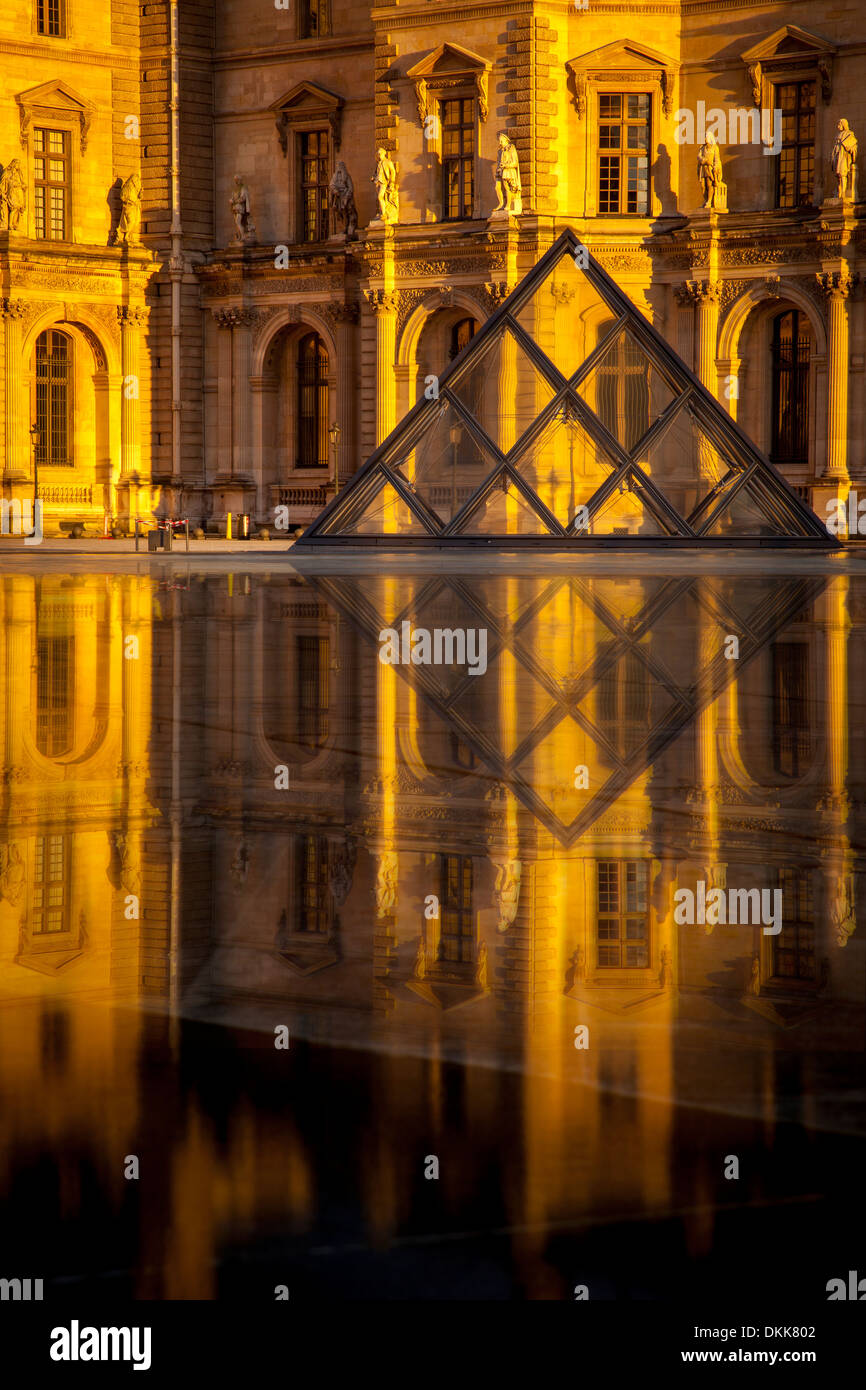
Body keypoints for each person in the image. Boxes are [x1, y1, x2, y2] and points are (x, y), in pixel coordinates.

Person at [493, 133, 522, 215]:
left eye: (501, 141)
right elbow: (499, 161)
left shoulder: (511, 148)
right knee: (497, 187)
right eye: (499, 141)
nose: (500, 143)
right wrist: (499, 168)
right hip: (501, 170)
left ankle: (508, 205)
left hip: (508, 170)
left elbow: (515, 162)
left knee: (507, 187)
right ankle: (501, 203)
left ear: (506, 140)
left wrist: (506, 165)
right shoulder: (500, 151)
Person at [328, 161, 358, 239]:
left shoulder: (347, 176)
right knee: (341, 214)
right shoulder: (335, 177)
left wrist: (347, 196)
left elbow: (350, 188)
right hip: (338, 197)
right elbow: (331, 185)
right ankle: (345, 227)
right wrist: (335, 191)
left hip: (345, 196)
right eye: (338, 166)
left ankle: (349, 228)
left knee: (348, 212)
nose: (339, 168)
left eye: (340, 166)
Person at [697, 131, 725, 210]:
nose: (705, 138)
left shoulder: (715, 147)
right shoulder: (702, 148)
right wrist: (704, 160)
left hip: (710, 168)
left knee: (709, 185)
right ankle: (706, 200)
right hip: (703, 168)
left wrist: (716, 167)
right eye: (705, 136)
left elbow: (717, 159)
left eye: (706, 136)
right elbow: (698, 157)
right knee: (703, 186)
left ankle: (709, 201)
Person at [831, 119, 858, 199]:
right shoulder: (838, 135)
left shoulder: (849, 134)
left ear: (843, 125)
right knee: (838, 175)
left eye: (839, 124)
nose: (838, 126)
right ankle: (839, 192)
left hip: (843, 156)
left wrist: (846, 146)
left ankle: (843, 193)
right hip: (838, 155)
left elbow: (853, 144)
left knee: (842, 174)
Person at [0, 158, 26, 232]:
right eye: (17, 163)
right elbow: (3, 182)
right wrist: (2, 192)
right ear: (14, 164)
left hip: (18, 192)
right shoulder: (7, 172)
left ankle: (15, 224)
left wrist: (23, 186)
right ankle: (10, 224)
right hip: (12, 192)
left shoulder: (19, 173)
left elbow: (22, 182)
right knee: (14, 208)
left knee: (18, 209)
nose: (18, 165)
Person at [117, 172, 142, 245]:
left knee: (134, 221)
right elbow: (122, 197)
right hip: (128, 206)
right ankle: (126, 236)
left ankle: (129, 235)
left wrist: (140, 193)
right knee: (131, 221)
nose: (138, 182)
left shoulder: (135, 189)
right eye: (137, 180)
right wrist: (129, 202)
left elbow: (139, 197)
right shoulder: (126, 187)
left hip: (134, 206)